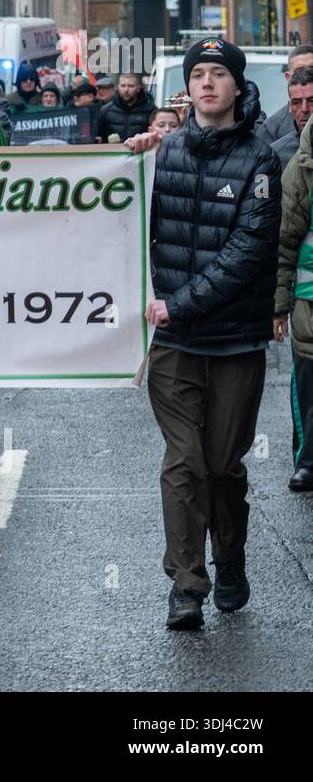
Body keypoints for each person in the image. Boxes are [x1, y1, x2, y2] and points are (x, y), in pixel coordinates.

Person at [124, 37, 280, 631]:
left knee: (222, 466)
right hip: (174, 346)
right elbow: (116, 212)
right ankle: (186, 582)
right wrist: (132, 159)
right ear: (186, 90)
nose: (208, 84)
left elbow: (246, 253)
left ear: (237, 87)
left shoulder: (262, 161)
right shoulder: (163, 152)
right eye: (198, 76)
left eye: (219, 74)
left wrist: (177, 304)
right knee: (183, 462)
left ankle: (231, 557)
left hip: (234, 342)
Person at [275, 107, 313, 494]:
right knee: (309, 386)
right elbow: (285, 241)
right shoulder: (302, 168)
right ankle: (308, 461)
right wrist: (278, 306)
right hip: (310, 306)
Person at [257, 44, 313, 147]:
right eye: (299, 72)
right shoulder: (271, 128)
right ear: (288, 77)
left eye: (312, 70)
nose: (307, 76)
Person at [269, 66, 313, 171]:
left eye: (311, 100)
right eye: (296, 102)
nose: (304, 109)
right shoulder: (275, 154)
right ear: (290, 107)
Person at [97, 72, 156, 142]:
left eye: (130, 86)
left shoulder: (150, 110)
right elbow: (100, 137)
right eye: (123, 86)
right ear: (118, 87)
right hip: (114, 151)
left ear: (138, 88)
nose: (126, 90)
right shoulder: (106, 111)